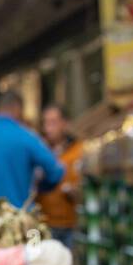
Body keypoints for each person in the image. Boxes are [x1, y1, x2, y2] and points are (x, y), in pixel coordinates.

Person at [36, 105, 84, 250]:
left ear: (65, 123)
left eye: (53, 122)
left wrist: (75, 191)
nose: (48, 128)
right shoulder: (39, 150)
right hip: (43, 224)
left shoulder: (78, 150)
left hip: (70, 225)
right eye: (45, 123)